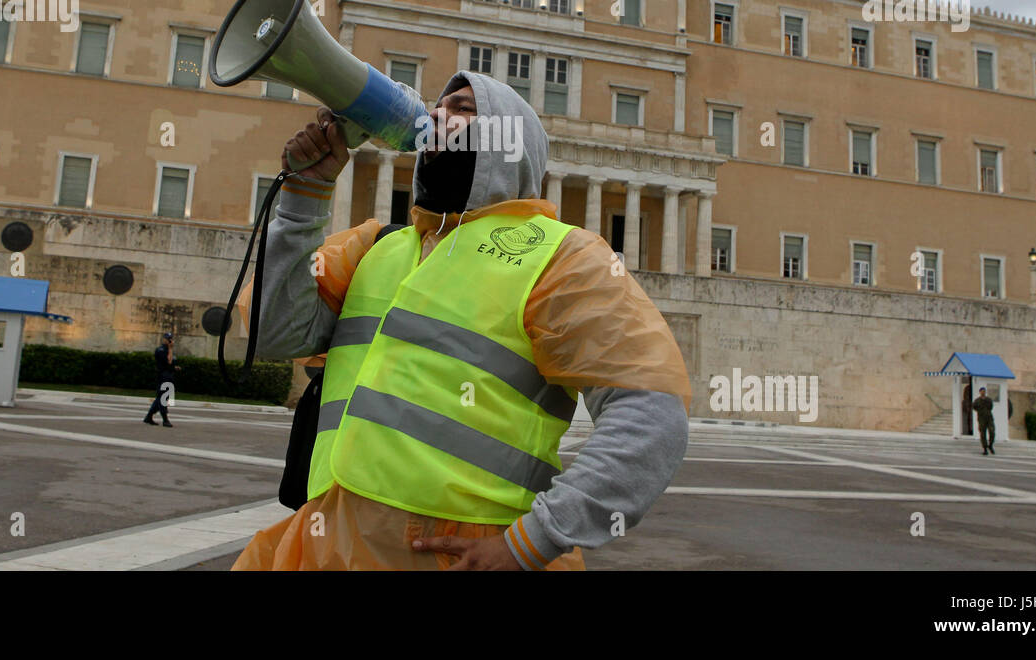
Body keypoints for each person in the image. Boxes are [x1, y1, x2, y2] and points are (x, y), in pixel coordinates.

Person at [231, 70, 691, 571]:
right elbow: (271, 332)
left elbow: (651, 413)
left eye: (463, 109)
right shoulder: (376, 245)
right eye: (437, 106)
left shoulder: (562, 256)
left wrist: (532, 541)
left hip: (459, 556)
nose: (435, 115)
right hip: (327, 546)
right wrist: (305, 195)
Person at [143, 331, 178, 427]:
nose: (170, 341)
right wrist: (170, 349)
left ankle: (149, 416)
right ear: (164, 339)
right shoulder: (161, 350)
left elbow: (171, 365)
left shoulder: (169, 350)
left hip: (170, 376)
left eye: (171, 339)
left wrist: (175, 368)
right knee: (163, 398)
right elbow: (169, 362)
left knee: (162, 398)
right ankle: (165, 420)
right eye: (168, 339)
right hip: (163, 377)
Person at [972, 386, 995, 455]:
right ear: (980, 392)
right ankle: (985, 448)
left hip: (989, 418)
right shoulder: (977, 401)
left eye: (984, 391)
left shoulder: (989, 400)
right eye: (982, 391)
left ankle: (990, 445)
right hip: (981, 419)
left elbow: (991, 407)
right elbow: (974, 407)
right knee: (983, 434)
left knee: (992, 432)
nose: (983, 392)